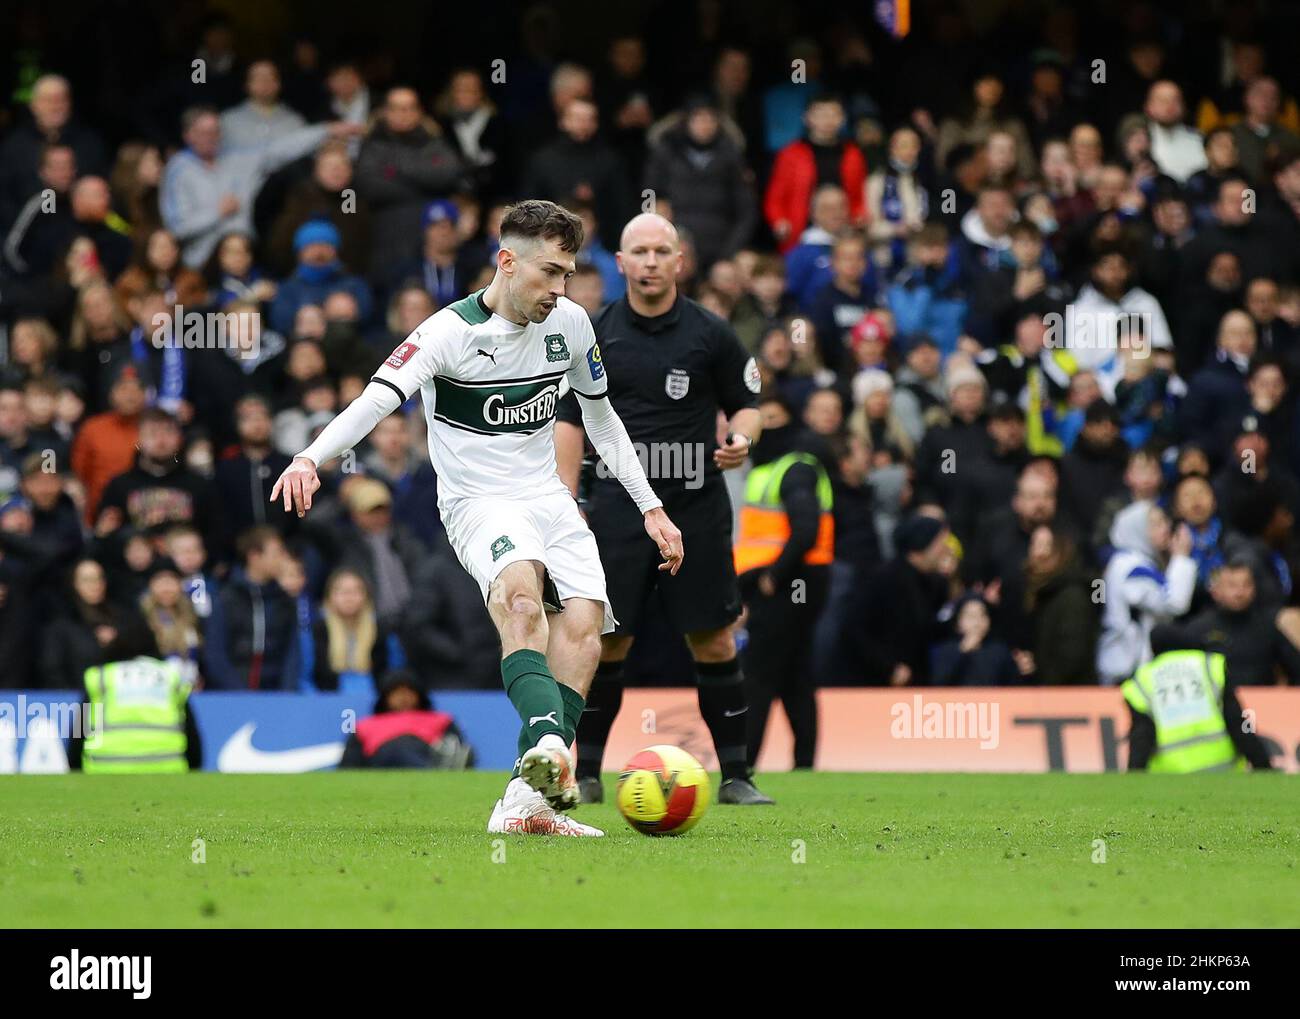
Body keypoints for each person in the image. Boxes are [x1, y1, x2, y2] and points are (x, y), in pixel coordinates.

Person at [271, 199, 681, 838]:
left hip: (547, 495)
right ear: (507, 262)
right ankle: (549, 747)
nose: (559, 287)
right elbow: (374, 402)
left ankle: (527, 802)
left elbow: (601, 419)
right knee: (521, 600)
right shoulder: (445, 334)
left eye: (567, 273)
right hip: (477, 502)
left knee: (584, 625)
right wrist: (310, 457)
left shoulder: (571, 324)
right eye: (548, 272)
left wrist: (651, 506)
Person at [554, 212, 768, 804]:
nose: (650, 262)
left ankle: (737, 777)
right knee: (608, 639)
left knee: (715, 639)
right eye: (638, 252)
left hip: (696, 509)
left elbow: (750, 401)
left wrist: (743, 439)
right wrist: (570, 499)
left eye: (661, 251)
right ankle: (590, 773)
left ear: (680, 262)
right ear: (619, 263)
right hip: (620, 511)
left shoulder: (711, 332)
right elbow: (568, 420)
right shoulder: (590, 333)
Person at [735, 392, 832, 766]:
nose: (768, 428)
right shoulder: (767, 470)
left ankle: (742, 766)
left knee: (759, 674)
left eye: (775, 419)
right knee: (795, 676)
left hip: (791, 585)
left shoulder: (795, 468)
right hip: (788, 584)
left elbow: (805, 529)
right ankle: (804, 763)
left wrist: (775, 575)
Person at [1122, 624, 1272, 772]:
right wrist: (1264, 766)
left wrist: (1133, 778)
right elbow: (1238, 724)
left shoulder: (1142, 679)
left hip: (1171, 781)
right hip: (1223, 774)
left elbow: (1141, 737)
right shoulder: (1209, 665)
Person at [1097, 500, 1196, 685]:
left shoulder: (1127, 562)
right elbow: (1175, 603)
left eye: (1164, 521)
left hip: (1127, 668)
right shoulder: (1133, 567)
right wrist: (1181, 557)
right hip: (1129, 671)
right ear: (1136, 529)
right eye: (1156, 524)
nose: (1165, 528)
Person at [339, 671, 473, 769]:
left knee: (408, 747)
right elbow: (349, 765)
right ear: (385, 697)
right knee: (398, 749)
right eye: (397, 692)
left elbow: (462, 752)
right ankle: (432, 771)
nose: (403, 697)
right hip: (382, 756)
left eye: (409, 691)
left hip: (423, 749)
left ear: (419, 695)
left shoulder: (441, 720)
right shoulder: (365, 726)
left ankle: (432, 768)